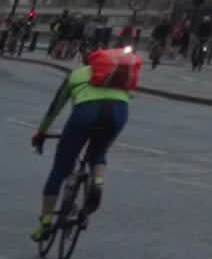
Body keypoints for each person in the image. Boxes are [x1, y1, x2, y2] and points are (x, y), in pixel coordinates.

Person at [28, 45, 137, 243]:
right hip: (118, 113)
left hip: (85, 114)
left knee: (60, 168)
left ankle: (44, 223)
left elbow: (55, 108)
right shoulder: (118, 76)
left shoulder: (77, 75)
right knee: (99, 150)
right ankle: (97, 182)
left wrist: (42, 132)